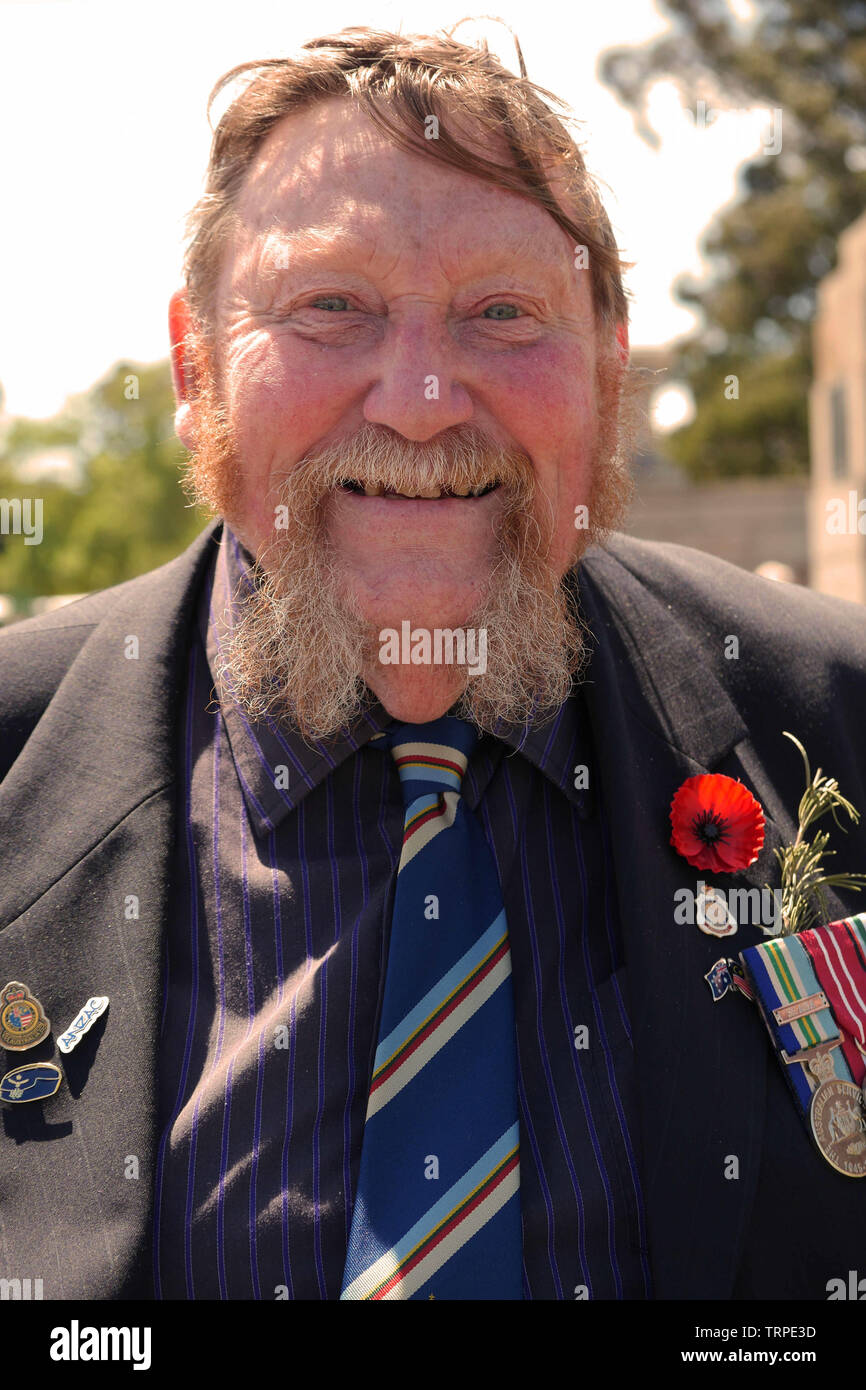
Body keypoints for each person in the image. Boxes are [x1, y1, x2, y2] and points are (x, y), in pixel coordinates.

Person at [1, 25, 865, 1302]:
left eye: (502, 313)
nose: (418, 398)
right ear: (195, 370)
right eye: (330, 306)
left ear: (607, 367)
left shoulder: (834, 713)